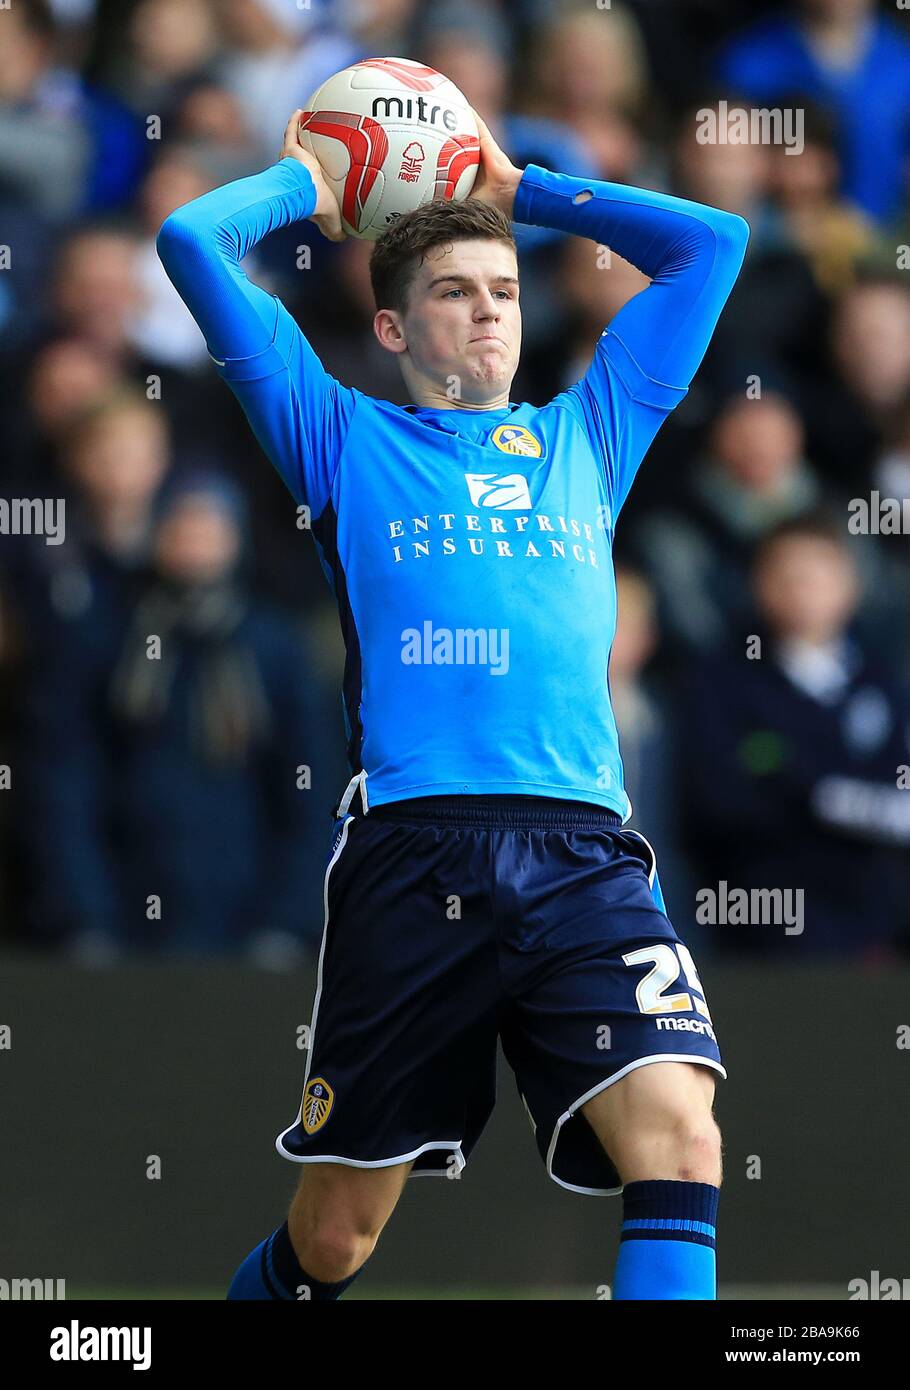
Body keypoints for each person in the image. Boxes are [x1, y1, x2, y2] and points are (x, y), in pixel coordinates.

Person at [157, 102, 749, 1300]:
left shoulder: (592, 427)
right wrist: (304, 187)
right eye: (454, 290)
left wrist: (527, 189)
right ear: (390, 324)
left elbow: (715, 243)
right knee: (336, 1239)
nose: (489, 308)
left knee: (684, 1139)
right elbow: (187, 241)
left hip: (584, 851)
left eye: (505, 289)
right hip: (414, 851)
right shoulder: (338, 433)